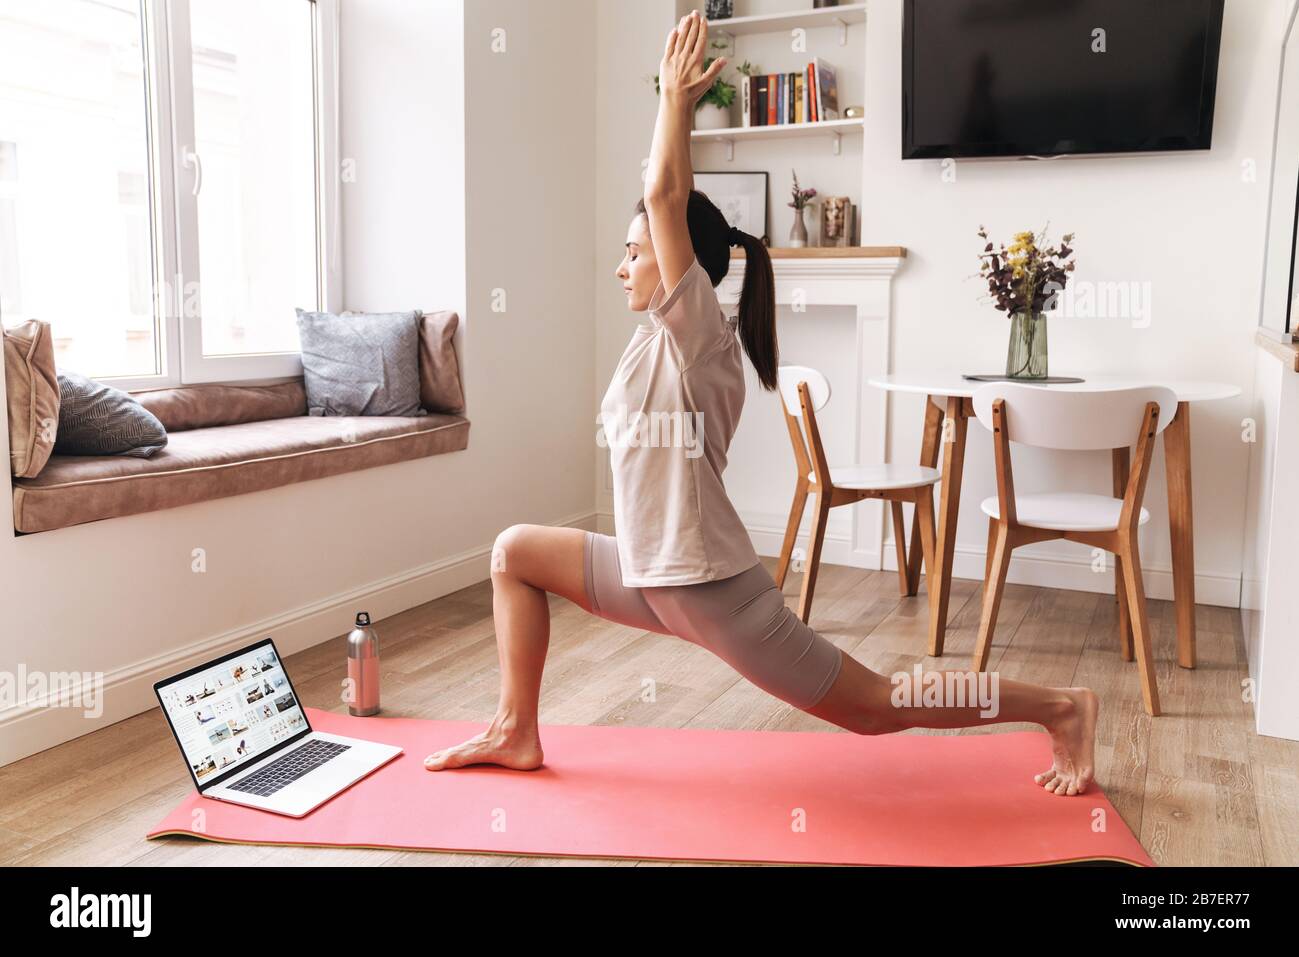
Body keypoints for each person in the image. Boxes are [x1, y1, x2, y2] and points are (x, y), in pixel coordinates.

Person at [426, 10, 1098, 796]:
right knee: (513, 551)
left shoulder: (699, 335)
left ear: (682, 268)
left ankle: (1060, 705)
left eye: (635, 251)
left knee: (879, 706)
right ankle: (515, 730)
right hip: (646, 572)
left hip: (709, 587)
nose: (621, 266)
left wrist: (674, 101)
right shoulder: (652, 335)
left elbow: (666, 194)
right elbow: (661, 210)